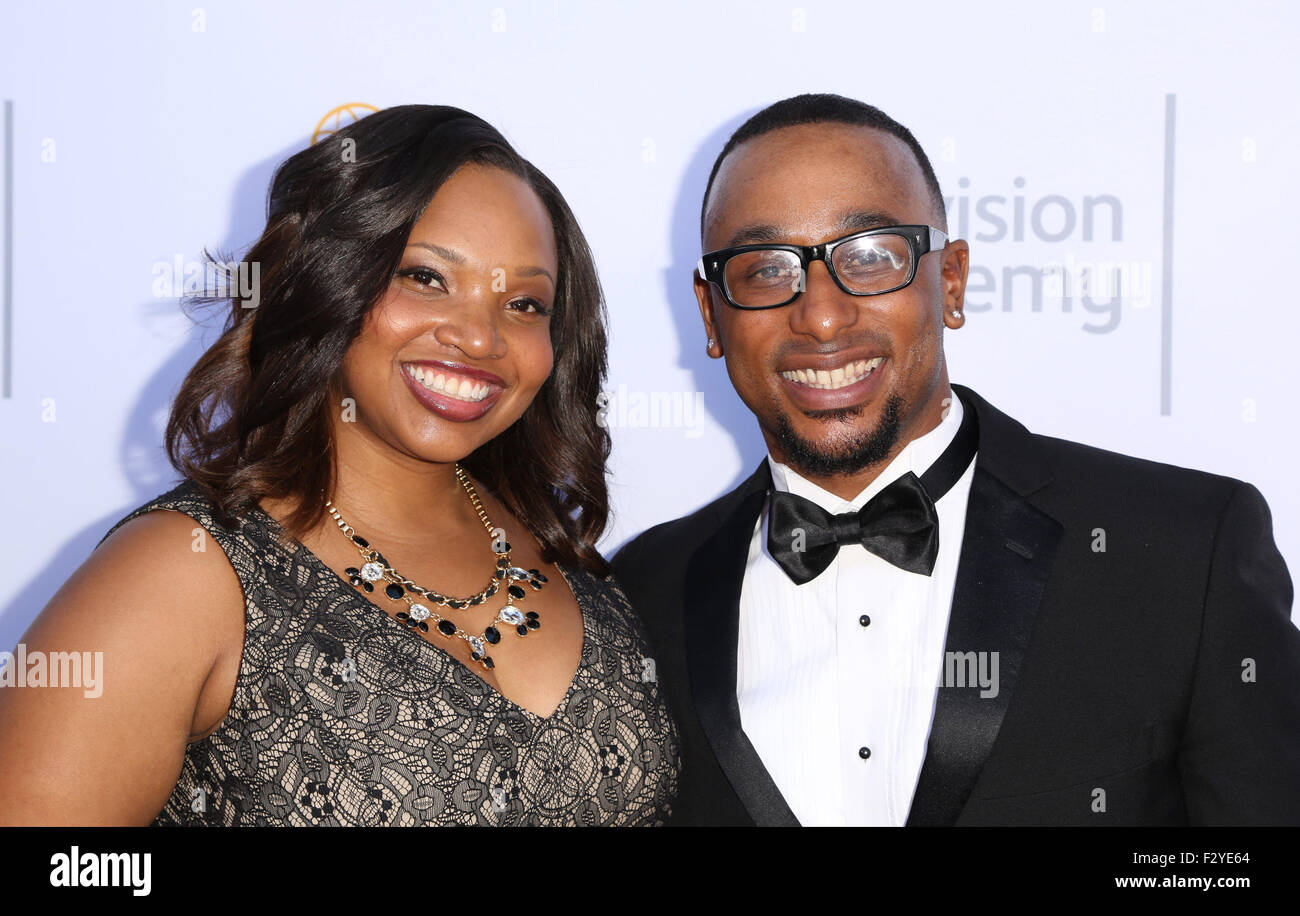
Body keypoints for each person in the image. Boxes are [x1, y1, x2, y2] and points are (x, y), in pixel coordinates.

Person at [611, 93, 1300, 826]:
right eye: (764, 270)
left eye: (871, 257)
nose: (819, 314)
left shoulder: (1184, 551)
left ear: (952, 279)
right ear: (711, 314)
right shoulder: (641, 595)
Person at [0, 105, 679, 826]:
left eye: (522, 302)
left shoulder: (577, 564)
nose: (480, 337)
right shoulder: (184, 569)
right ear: (329, 280)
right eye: (425, 277)